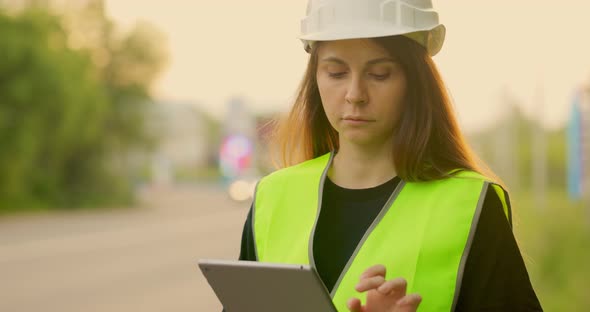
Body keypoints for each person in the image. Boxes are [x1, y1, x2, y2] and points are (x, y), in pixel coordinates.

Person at [232, 0, 543, 311]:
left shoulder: (469, 205)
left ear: (415, 81)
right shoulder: (273, 198)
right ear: (315, 77)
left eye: (379, 74)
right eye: (336, 72)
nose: (355, 94)